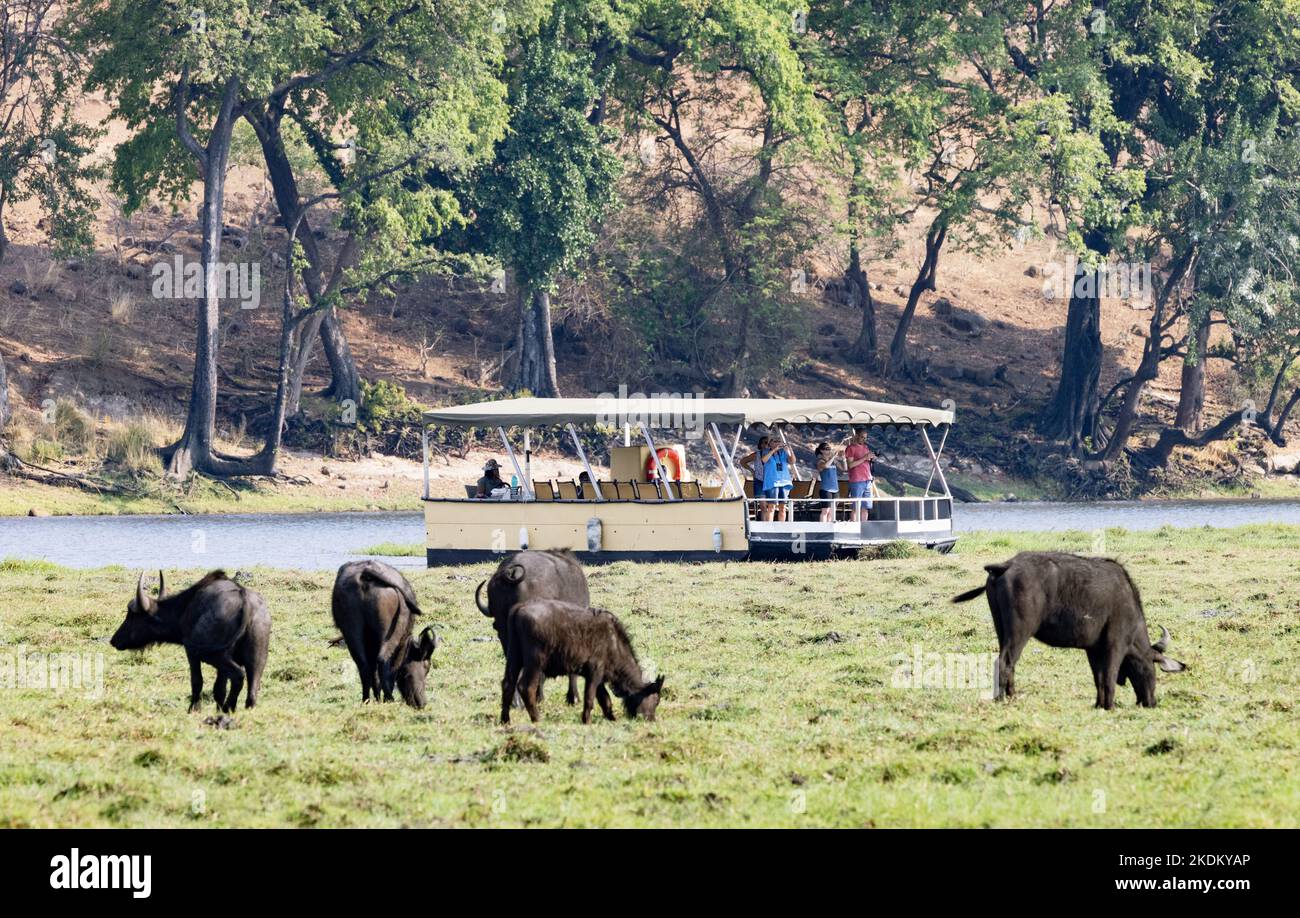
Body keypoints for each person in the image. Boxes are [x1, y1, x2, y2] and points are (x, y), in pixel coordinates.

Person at [759, 434, 795, 522]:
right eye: (775, 441)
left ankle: (782, 528)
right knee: (772, 507)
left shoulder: (783, 452)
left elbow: (792, 461)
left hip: (784, 482)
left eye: (779, 441)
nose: (778, 443)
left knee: (782, 507)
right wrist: (774, 450)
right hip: (772, 482)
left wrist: (790, 450)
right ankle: (770, 528)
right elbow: (763, 460)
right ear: (770, 443)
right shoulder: (766, 451)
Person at [843, 428, 876, 522]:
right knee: (856, 507)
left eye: (865, 438)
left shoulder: (866, 447)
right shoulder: (851, 448)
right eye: (862, 437)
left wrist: (871, 458)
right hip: (857, 480)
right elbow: (850, 465)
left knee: (866, 507)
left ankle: (864, 527)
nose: (864, 440)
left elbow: (866, 461)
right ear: (856, 436)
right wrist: (864, 458)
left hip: (867, 479)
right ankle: (854, 526)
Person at [815, 442, 843, 523]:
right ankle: (823, 529)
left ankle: (829, 530)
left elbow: (844, 469)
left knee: (832, 512)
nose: (829, 450)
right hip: (826, 489)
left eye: (829, 449)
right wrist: (833, 457)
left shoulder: (833, 461)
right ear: (821, 451)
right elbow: (825, 466)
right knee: (825, 511)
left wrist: (843, 459)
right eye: (826, 449)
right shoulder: (820, 461)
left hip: (835, 489)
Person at [740, 435, 769, 508]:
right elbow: (743, 461)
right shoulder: (757, 455)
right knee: (763, 506)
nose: (766, 445)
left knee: (771, 506)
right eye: (764, 443)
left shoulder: (775, 454)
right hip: (759, 480)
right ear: (760, 444)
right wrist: (752, 470)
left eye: (768, 443)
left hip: (771, 481)